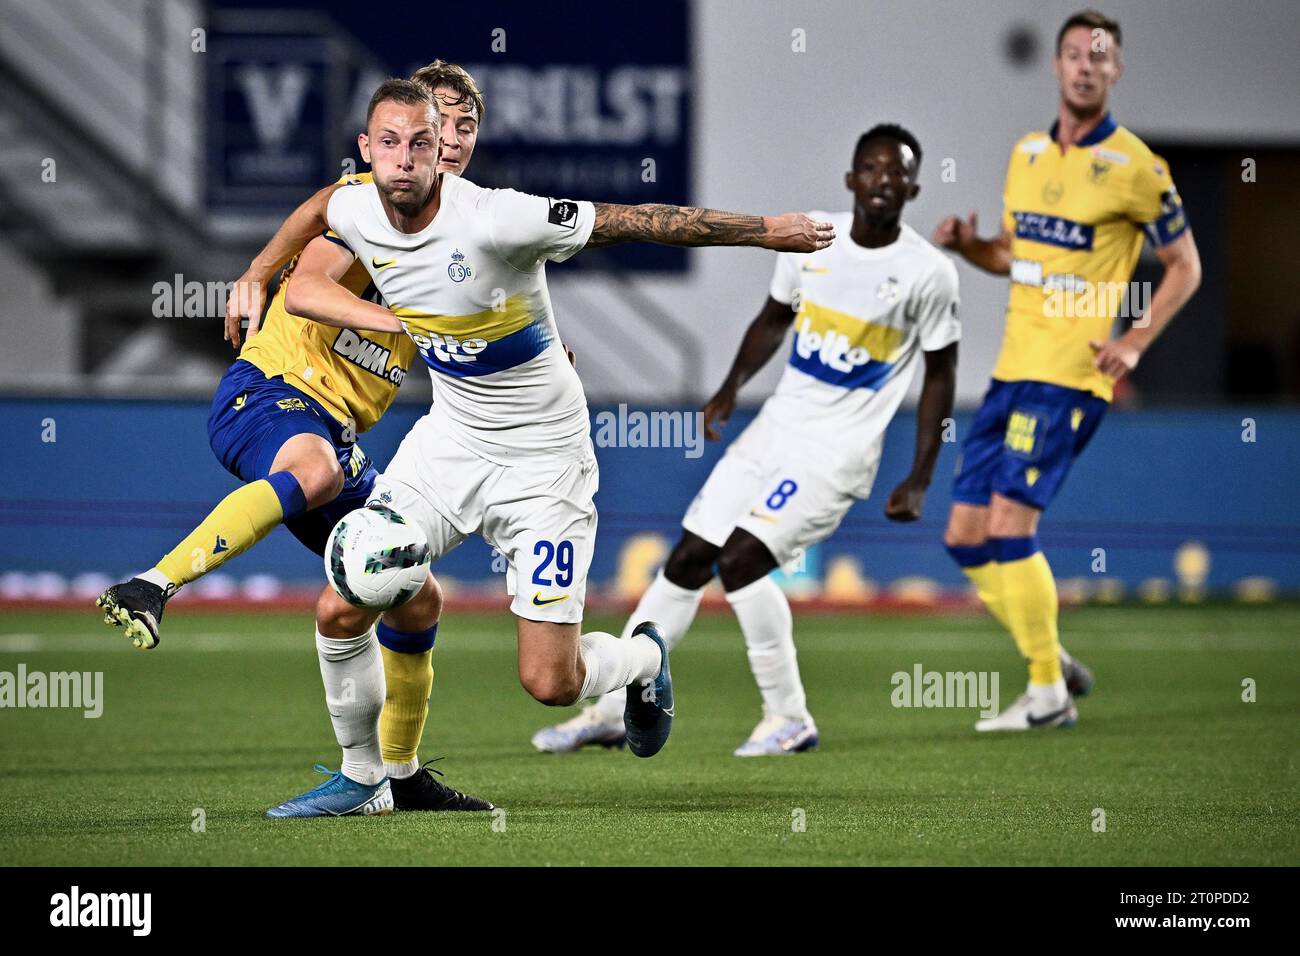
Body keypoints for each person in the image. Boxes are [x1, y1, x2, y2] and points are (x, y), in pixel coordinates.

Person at [264, 77, 835, 816]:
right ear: (365, 152)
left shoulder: (499, 218)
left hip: (544, 465)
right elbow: (316, 209)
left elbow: (638, 220)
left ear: (445, 154)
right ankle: (364, 777)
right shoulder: (354, 208)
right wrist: (253, 271)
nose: (405, 161)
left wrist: (765, 230)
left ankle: (643, 657)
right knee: (345, 602)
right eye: (390, 145)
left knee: (550, 683)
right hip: (450, 444)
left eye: (423, 145)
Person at [99, 61, 493, 810]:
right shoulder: (369, 208)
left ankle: (391, 779)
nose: (441, 144)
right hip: (270, 395)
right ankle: (154, 584)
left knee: (415, 591)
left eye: (460, 126)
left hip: (338, 433)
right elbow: (310, 285)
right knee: (311, 470)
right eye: (427, 127)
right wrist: (268, 271)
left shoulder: (465, 240)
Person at [533, 125, 960, 756]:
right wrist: (730, 389)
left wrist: (920, 475)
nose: (883, 180)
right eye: (871, 168)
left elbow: (941, 375)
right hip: (775, 431)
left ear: (915, 186)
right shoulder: (815, 238)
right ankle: (612, 709)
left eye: (897, 171)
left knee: (738, 562)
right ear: (851, 178)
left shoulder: (928, 273)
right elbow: (773, 320)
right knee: (685, 561)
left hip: (836, 455)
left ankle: (788, 716)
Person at [934, 10, 1201, 731]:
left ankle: (1048, 692)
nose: (1086, 66)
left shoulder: (1138, 168)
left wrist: (1137, 341)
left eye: (1100, 57)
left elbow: (1185, 266)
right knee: (962, 535)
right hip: (1011, 372)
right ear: (1056, 66)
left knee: (1010, 524)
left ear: (1116, 72)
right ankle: (1047, 655)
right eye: (1075, 54)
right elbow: (1013, 255)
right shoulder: (1025, 154)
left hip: (1070, 377)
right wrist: (968, 246)